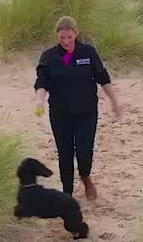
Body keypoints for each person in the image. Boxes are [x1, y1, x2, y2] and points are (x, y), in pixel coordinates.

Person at [32, 15, 121, 200]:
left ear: (76, 34)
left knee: (84, 151)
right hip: (60, 114)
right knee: (65, 154)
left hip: (86, 113)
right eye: (62, 37)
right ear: (57, 36)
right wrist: (39, 101)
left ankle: (85, 176)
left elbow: (103, 78)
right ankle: (67, 196)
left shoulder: (88, 53)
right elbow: (42, 81)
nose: (66, 41)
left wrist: (115, 102)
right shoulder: (49, 57)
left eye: (69, 37)